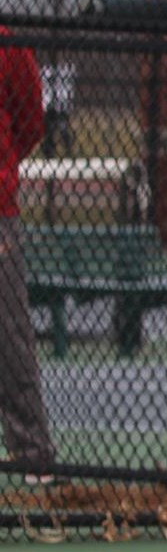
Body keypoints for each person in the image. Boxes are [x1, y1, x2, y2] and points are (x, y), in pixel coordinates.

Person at [0, 25, 58, 484]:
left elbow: (30, 120)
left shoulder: (7, 43)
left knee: (10, 335)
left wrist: (4, 167)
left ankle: (32, 453)